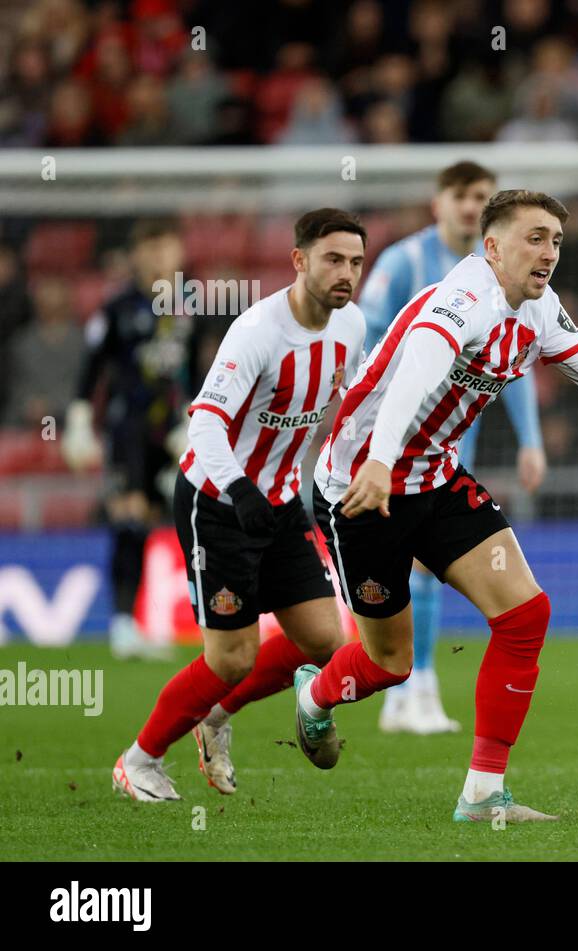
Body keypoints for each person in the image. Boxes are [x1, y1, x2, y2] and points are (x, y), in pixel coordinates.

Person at [300, 189, 578, 822]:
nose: (548, 252)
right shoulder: (462, 300)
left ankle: (483, 793)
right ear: (491, 247)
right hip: (363, 487)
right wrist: (380, 464)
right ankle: (317, 697)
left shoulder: (540, 309)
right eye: (534, 238)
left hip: (433, 479)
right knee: (390, 664)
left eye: (556, 240)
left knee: (525, 614)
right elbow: (413, 375)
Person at [111, 209, 367, 802]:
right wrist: (242, 489)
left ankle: (216, 717)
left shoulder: (351, 325)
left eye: (355, 262)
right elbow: (203, 422)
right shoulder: (258, 331)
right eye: (333, 259)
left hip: (280, 503)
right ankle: (139, 760)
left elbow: (349, 409)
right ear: (300, 261)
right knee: (231, 657)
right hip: (217, 500)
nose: (345, 272)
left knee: (324, 640)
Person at [358, 160, 545, 735]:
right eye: (461, 196)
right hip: (390, 447)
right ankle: (406, 686)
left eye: (481, 196)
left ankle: (416, 686)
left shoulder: (506, 278)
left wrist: (531, 441)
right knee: (407, 567)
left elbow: (519, 359)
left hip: (454, 443)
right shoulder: (403, 263)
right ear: (438, 203)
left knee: (425, 569)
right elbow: (365, 341)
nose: (470, 206)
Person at [64, 219, 195, 660]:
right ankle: (121, 624)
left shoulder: (188, 306)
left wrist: (192, 418)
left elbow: (194, 370)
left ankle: (143, 622)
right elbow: (90, 371)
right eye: (154, 249)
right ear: (138, 255)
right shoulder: (117, 309)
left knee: (162, 520)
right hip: (128, 428)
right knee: (131, 519)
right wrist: (80, 422)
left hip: (170, 432)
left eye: (169, 249)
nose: (163, 258)